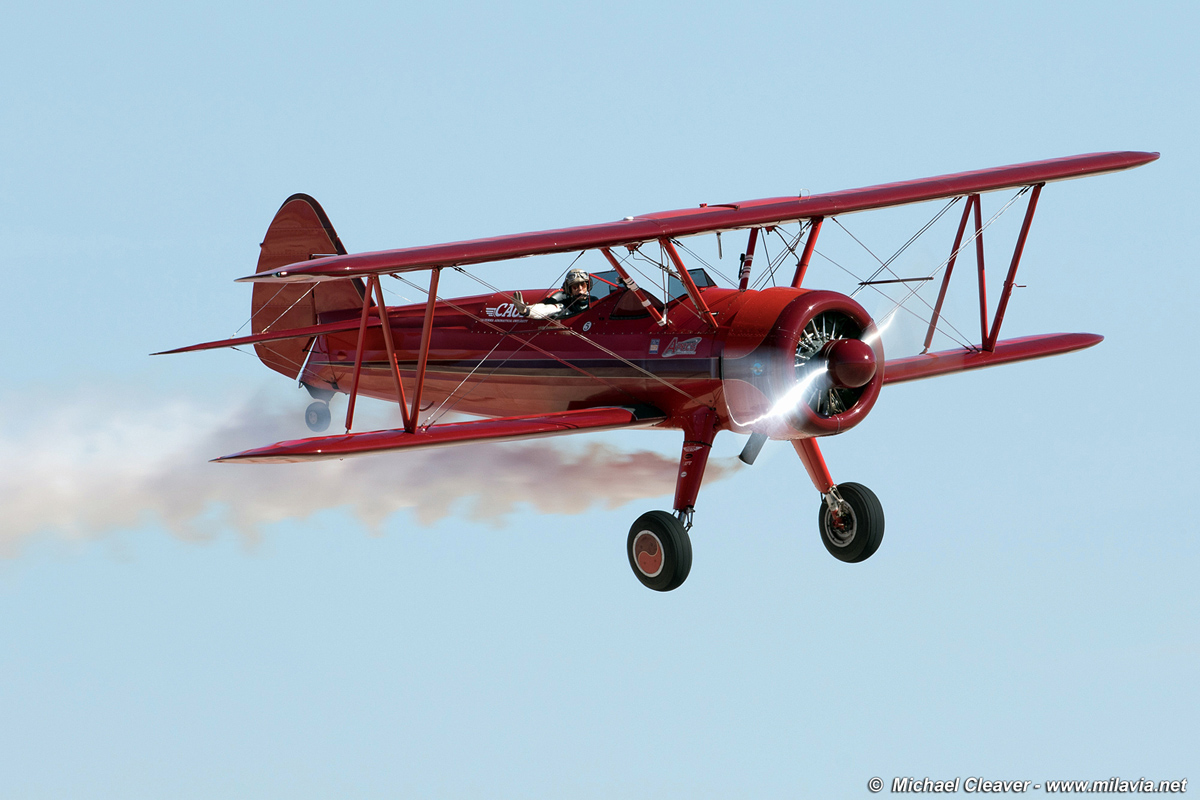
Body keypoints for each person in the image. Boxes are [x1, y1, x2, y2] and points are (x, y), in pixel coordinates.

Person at [513, 268, 593, 320]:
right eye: (575, 286)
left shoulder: (595, 301)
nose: (580, 288)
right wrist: (526, 310)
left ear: (588, 286)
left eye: (583, 285)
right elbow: (546, 309)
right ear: (570, 290)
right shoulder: (565, 306)